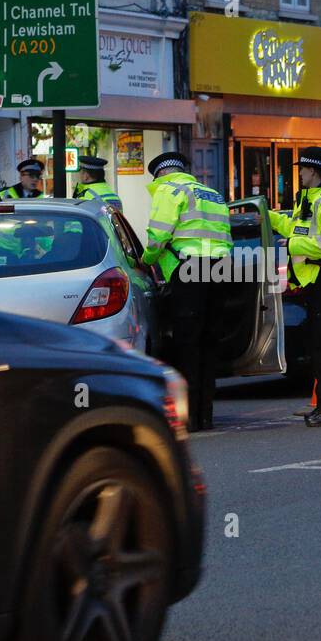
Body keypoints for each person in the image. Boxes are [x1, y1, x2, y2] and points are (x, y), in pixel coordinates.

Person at [140, 152, 233, 432]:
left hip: (189, 271)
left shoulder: (168, 190)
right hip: (220, 270)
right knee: (208, 343)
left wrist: (146, 261)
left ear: (159, 174)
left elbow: (158, 236)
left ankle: (188, 417)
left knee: (188, 344)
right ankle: (206, 415)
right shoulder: (211, 193)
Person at [268, 147, 321, 427]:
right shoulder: (310, 200)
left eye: (302, 169)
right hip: (316, 282)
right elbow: (296, 228)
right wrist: (267, 216)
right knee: (320, 346)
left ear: (314, 171)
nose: (300, 174)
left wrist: (292, 245)